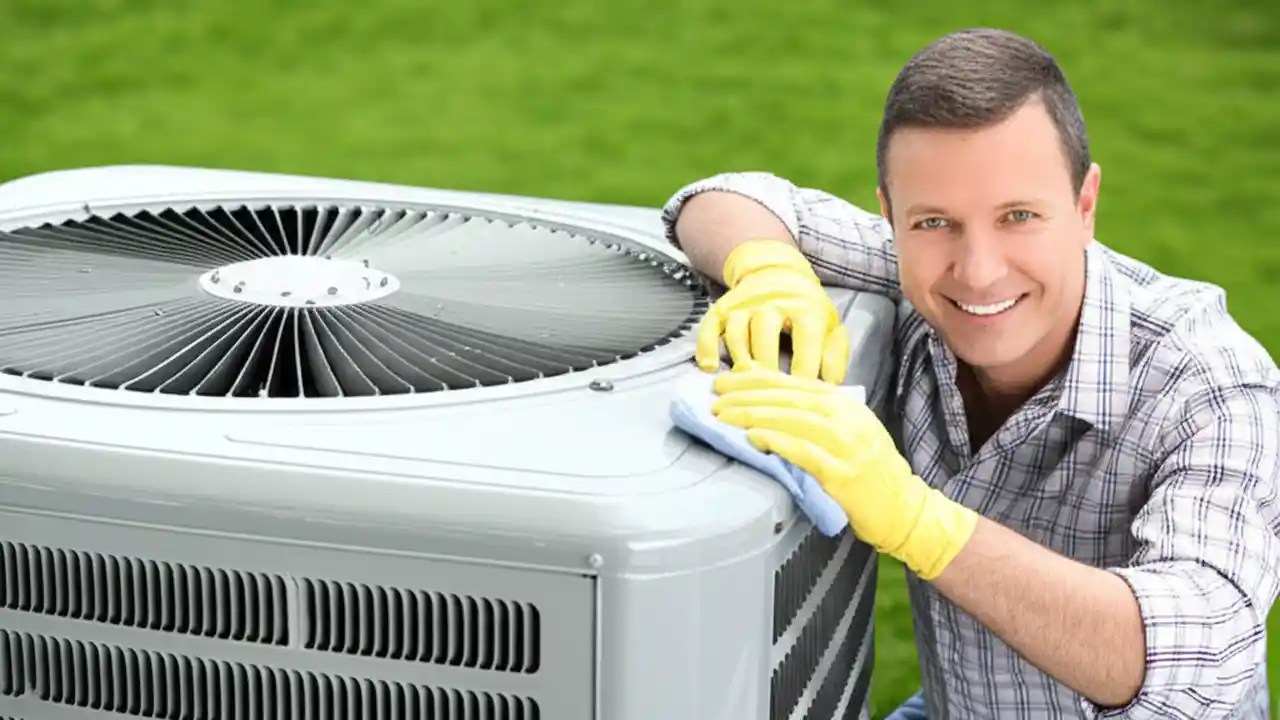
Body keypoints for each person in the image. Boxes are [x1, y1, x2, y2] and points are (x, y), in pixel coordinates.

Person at [661, 28, 1280, 719]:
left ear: (1085, 205)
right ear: (890, 217)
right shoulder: (914, 274)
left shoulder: (1210, 382)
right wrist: (768, 269)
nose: (978, 270)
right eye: (934, 222)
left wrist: (920, 522)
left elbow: (1209, 655)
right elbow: (720, 199)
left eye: (1018, 216)